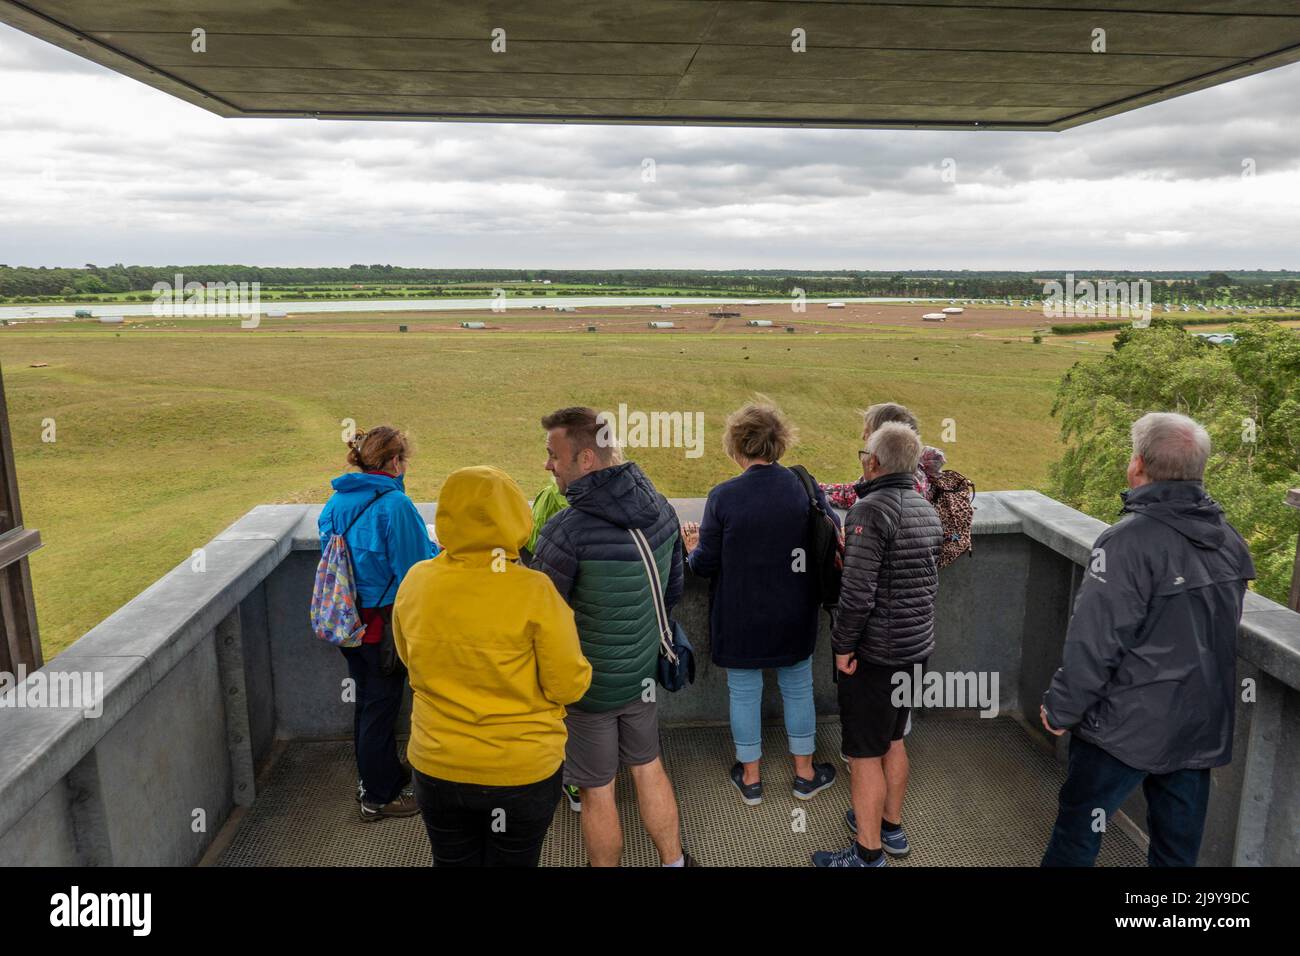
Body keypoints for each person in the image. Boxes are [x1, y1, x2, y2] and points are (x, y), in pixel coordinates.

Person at [1040, 412, 1254, 867]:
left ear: (1138, 464)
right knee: (1177, 853)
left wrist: (1061, 708)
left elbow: (1093, 643)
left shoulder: (1127, 543)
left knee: (1078, 833)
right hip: (1197, 728)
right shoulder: (1230, 542)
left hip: (1123, 728)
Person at [393, 466, 592, 866]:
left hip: (438, 763)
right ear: (516, 517)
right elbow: (567, 686)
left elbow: (407, 657)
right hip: (522, 771)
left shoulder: (417, 581)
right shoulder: (535, 590)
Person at [530, 406, 697, 867]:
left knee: (597, 788)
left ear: (585, 460)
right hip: (642, 673)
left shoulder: (565, 531)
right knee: (648, 768)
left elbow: (539, 618)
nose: (548, 465)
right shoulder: (661, 509)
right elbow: (674, 591)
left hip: (586, 688)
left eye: (552, 455)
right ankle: (673, 861)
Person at [680, 400, 839, 806]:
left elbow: (705, 564)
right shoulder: (802, 486)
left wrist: (693, 545)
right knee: (798, 687)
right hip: (795, 612)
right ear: (779, 443)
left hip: (739, 616)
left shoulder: (723, 497)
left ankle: (751, 778)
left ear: (736, 446)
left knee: (744, 692)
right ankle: (805, 774)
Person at [813, 423, 942, 867]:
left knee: (865, 752)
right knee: (894, 740)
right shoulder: (925, 509)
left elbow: (857, 594)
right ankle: (891, 827)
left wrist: (843, 647)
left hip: (876, 656)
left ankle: (867, 855)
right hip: (915, 649)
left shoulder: (869, 510)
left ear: (874, 462)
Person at [317, 425, 437, 820]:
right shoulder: (395, 506)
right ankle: (378, 797)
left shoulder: (336, 502)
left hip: (348, 620)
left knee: (368, 702)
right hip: (384, 625)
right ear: (394, 462)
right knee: (380, 706)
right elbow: (415, 569)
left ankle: (379, 773)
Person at [819, 402, 946, 510]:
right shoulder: (891, 472)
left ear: (885, 437)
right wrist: (812, 487)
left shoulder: (907, 485)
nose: (863, 437)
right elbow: (851, 493)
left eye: (867, 431)